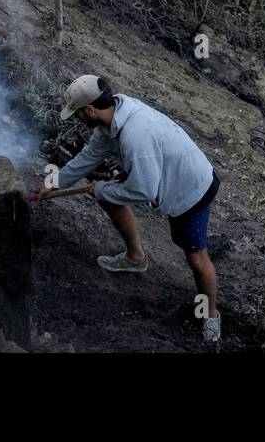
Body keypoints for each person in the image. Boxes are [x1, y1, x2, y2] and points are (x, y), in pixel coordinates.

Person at [49, 74, 222, 343]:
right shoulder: (113, 119)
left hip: (191, 190)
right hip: (165, 174)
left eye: (77, 114)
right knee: (108, 195)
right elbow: (88, 158)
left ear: (90, 109)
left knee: (196, 258)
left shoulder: (135, 135)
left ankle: (211, 319)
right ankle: (135, 258)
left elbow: (144, 191)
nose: (76, 120)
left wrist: (101, 188)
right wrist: (54, 183)